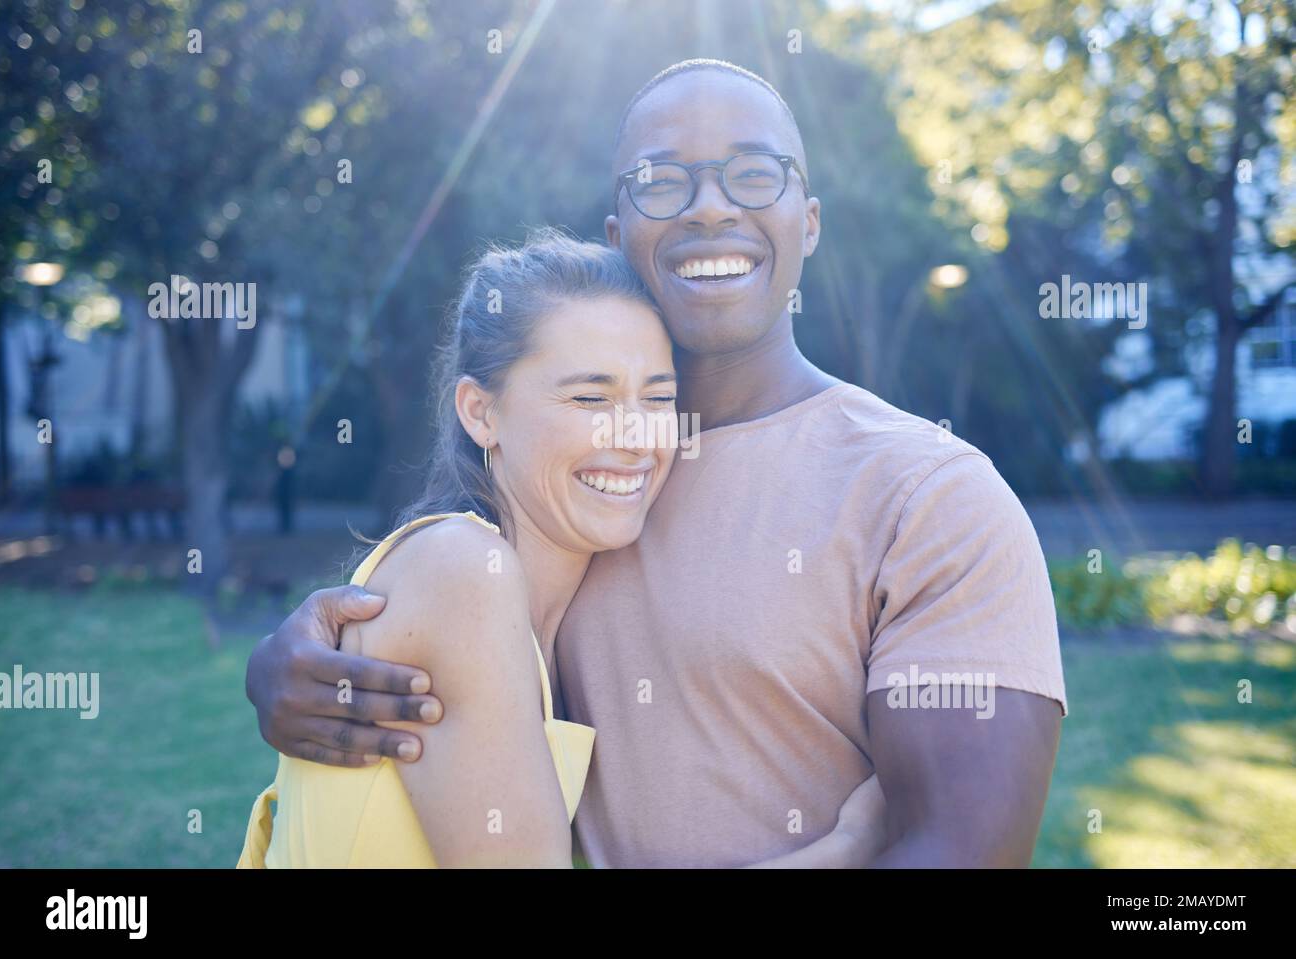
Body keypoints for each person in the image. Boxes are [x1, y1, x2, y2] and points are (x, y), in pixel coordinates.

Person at [246, 60, 1067, 868]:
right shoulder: (565, 498)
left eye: (753, 173)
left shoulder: (931, 495)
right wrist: (293, 663)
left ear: (809, 221)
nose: (710, 206)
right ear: (620, 235)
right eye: (662, 180)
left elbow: (966, 853)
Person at [238, 229, 886, 867]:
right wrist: (847, 848)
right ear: (480, 411)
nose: (635, 436)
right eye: (589, 396)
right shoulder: (464, 569)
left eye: (658, 397)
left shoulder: (559, 602)